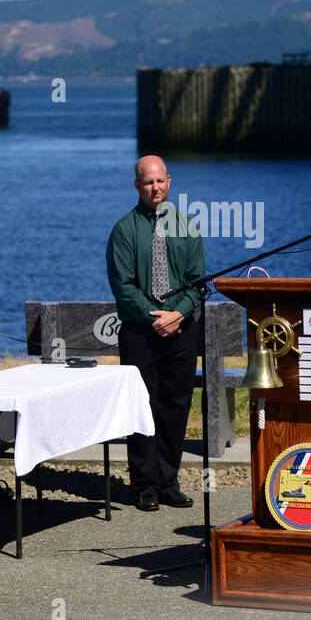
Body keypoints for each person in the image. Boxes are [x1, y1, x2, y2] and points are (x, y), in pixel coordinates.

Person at [106, 155, 206, 511]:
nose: (155, 188)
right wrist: (156, 317)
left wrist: (178, 314)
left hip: (182, 331)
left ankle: (169, 480)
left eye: (160, 181)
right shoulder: (124, 230)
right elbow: (124, 286)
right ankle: (144, 483)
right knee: (142, 406)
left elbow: (197, 283)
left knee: (175, 405)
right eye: (148, 182)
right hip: (141, 333)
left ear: (169, 181)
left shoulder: (188, 227)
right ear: (137, 185)